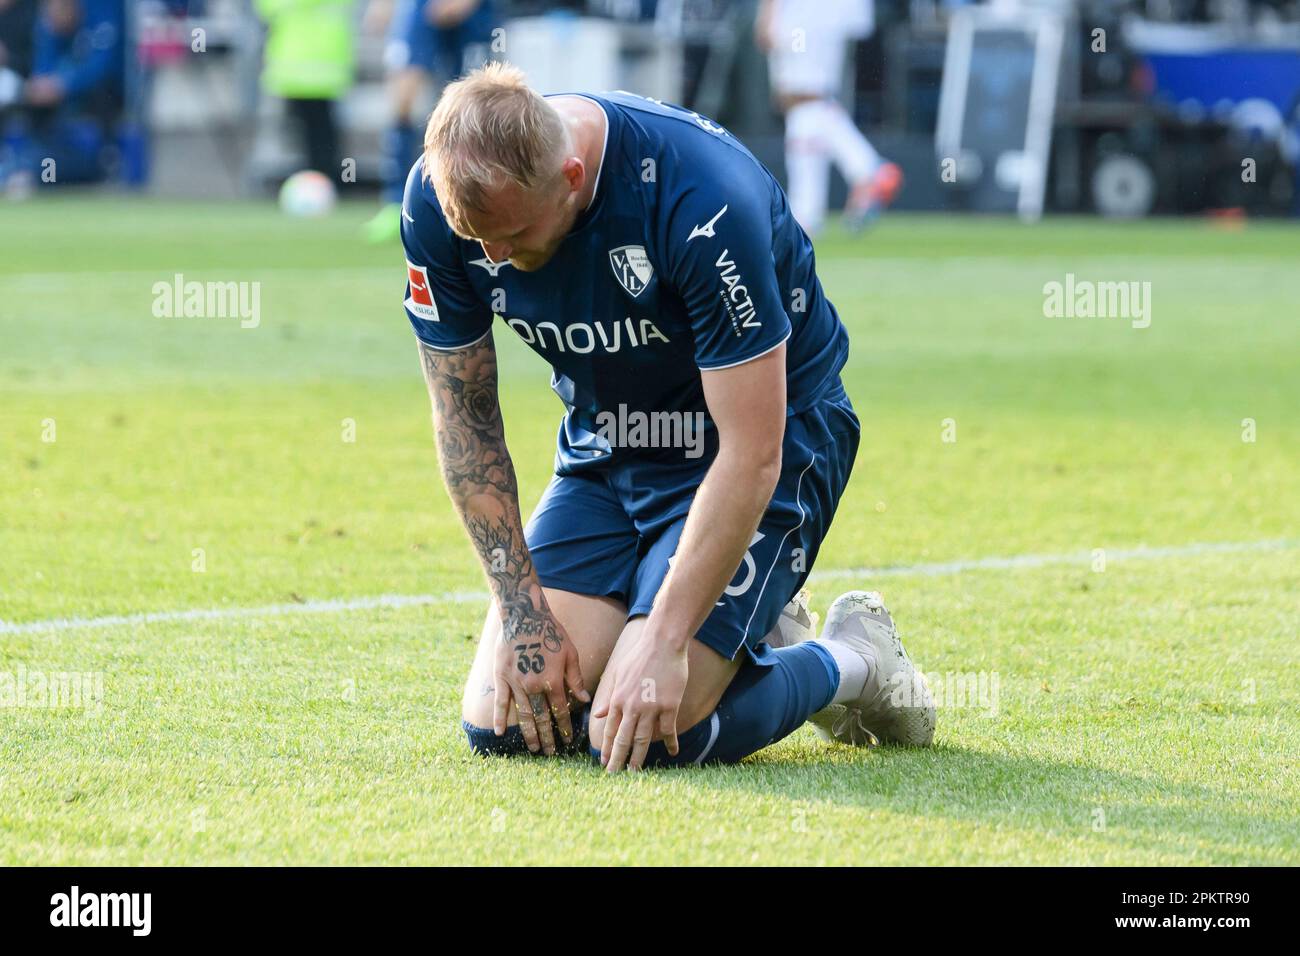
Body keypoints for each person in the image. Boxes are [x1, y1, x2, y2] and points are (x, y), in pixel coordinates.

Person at [401, 63, 935, 772]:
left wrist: (664, 641)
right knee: (510, 725)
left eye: (512, 234)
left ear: (569, 175)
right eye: (477, 242)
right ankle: (743, 622)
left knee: (647, 733)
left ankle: (854, 659)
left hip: (770, 442)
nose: (493, 258)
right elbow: (465, 427)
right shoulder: (441, 205)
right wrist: (524, 615)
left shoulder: (702, 200)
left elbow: (753, 450)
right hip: (609, 449)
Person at [755, 0, 902, 235]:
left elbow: (767, 36)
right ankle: (813, 208)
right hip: (821, 14)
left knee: (803, 97)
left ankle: (864, 172)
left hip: (807, 14)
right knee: (806, 109)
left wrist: (769, 14)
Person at [362, 0, 497, 243]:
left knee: (474, 102)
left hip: (473, 17)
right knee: (403, 98)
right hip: (417, 6)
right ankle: (397, 203)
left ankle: (476, 198)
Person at [255, 0, 355, 179]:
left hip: (322, 64)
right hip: (296, 65)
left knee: (321, 131)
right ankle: (313, 180)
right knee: (304, 133)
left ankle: (324, 180)